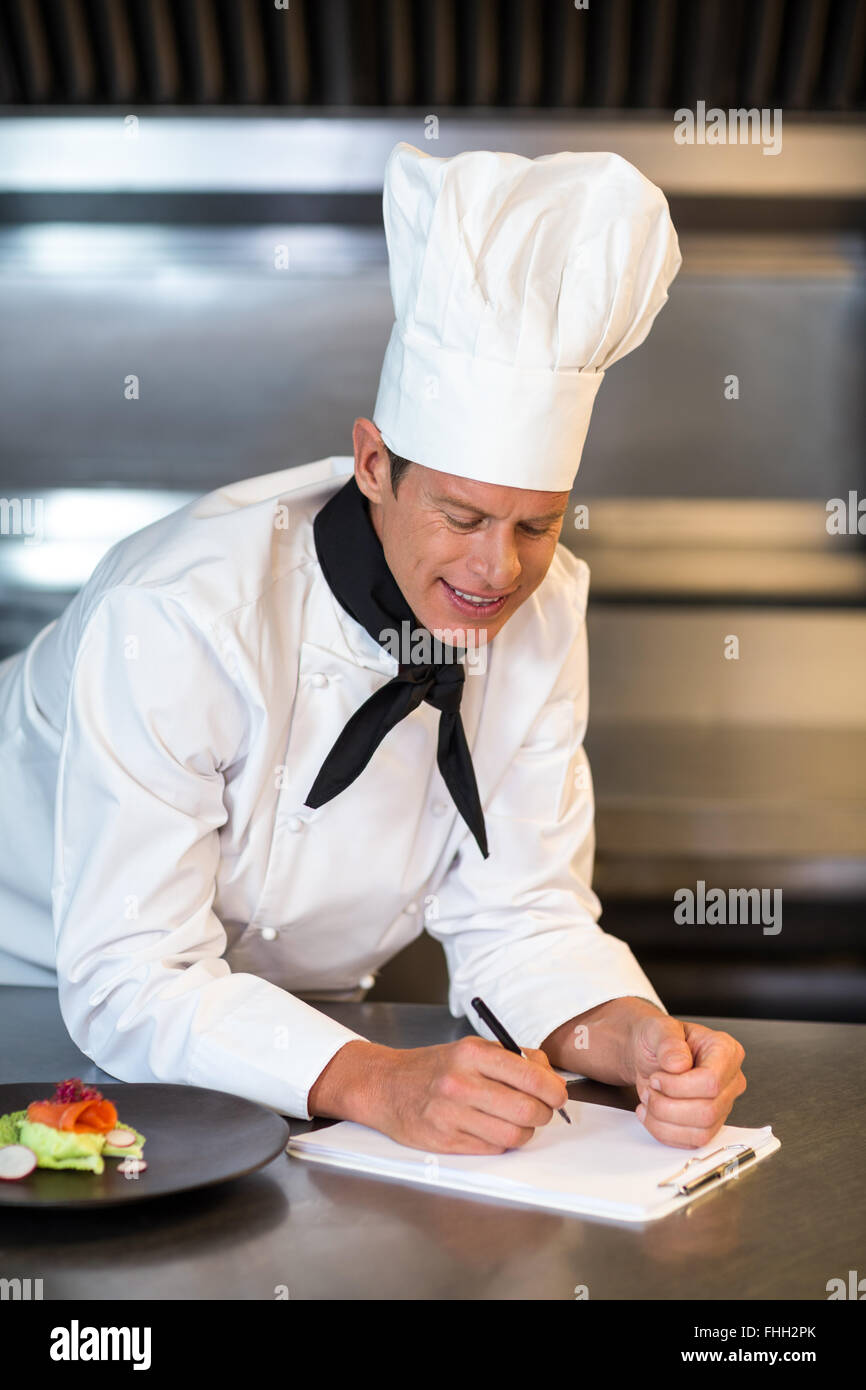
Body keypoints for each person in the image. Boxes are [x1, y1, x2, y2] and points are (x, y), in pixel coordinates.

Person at [0, 142, 746, 1154]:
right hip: (38, 996)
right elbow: (130, 974)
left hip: (303, 1037)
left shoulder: (546, 606)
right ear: (372, 464)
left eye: (537, 525)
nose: (497, 569)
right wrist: (379, 1084)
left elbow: (520, 910)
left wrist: (632, 1038)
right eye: (462, 514)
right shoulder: (176, 615)